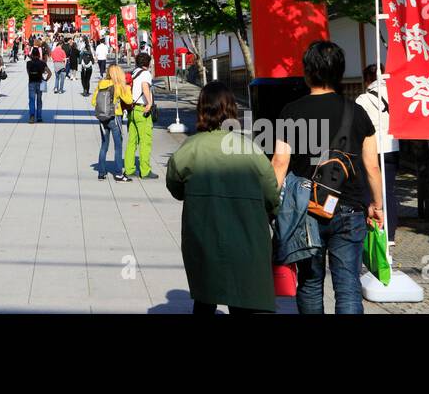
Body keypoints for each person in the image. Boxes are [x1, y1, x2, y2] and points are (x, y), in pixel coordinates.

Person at [271, 40, 384, 314]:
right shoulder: (357, 112)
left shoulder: (292, 111)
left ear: (308, 71)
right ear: (340, 72)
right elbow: (371, 166)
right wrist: (376, 206)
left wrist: (270, 205)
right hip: (350, 209)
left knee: (309, 283)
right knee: (348, 286)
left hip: (305, 210)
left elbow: (279, 162)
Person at [166, 81, 279, 314]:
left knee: (206, 298)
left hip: (203, 238)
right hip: (247, 240)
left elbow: (176, 189)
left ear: (201, 110)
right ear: (231, 111)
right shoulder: (250, 150)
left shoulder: (188, 149)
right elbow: (271, 196)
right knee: (244, 301)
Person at [358, 64, 400, 241]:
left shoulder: (363, 99)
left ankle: (374, 230)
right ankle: (390, 236)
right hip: (393, 146)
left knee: (371, 189)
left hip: (372, 149)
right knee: (388, 190)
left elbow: (358, 125)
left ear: (367, 79)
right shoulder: (397, 96)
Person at [92, 65, 132, 181]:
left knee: (104, 145)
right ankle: (119, 173)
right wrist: (127, 88)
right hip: (115, 117)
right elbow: (129, 100)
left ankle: (101, 172)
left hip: (102, 118)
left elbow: (93, 101)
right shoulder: (118, 85)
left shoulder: (101, 83)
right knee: (118, 146)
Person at [123, 53, 157, 179]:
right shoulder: (145, 74)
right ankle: (145, 170)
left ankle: (129, 168)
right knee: (145, 141)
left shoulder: (133, 73)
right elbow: (145, 87)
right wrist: (149, 102)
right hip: (142, 110)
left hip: (132, 109)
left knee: (132, 141)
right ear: (147, 63)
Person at [26, 48, 50, 122]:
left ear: (32, 54)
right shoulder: (42, 63)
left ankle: (32, 116)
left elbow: (28, 73)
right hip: (40, 82)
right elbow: (50, 73)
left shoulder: (28, 63)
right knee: (39, 100)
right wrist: (45, 80)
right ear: (39, 54)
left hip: (31, 83)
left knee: (32, 100)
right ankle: (39, 117)